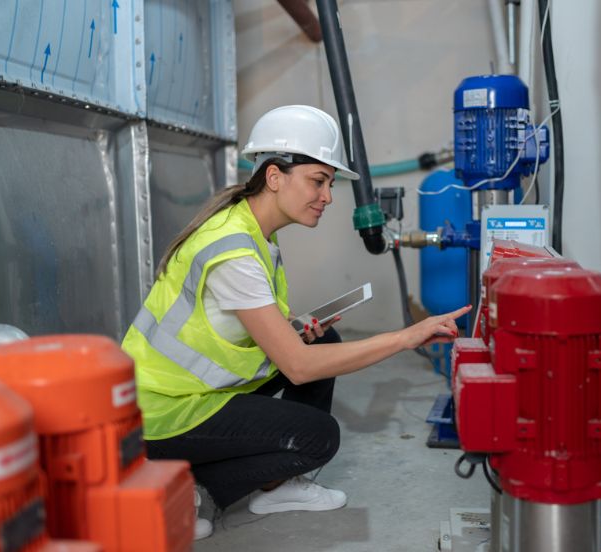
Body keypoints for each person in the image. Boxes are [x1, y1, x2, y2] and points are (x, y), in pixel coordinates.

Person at [121, 105, 469, 539]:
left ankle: (273, 486)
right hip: (160, 414)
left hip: (189, 393)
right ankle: (182, 480)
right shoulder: (234, 251)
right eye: (318, 181)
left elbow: (235, 328)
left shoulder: (253, 230)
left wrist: (294, 329)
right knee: (318, 437)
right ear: (274, 176)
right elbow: (297, 368)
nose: (327, 196)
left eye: (328, 183)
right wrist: (404, 338)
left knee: (325, 341)